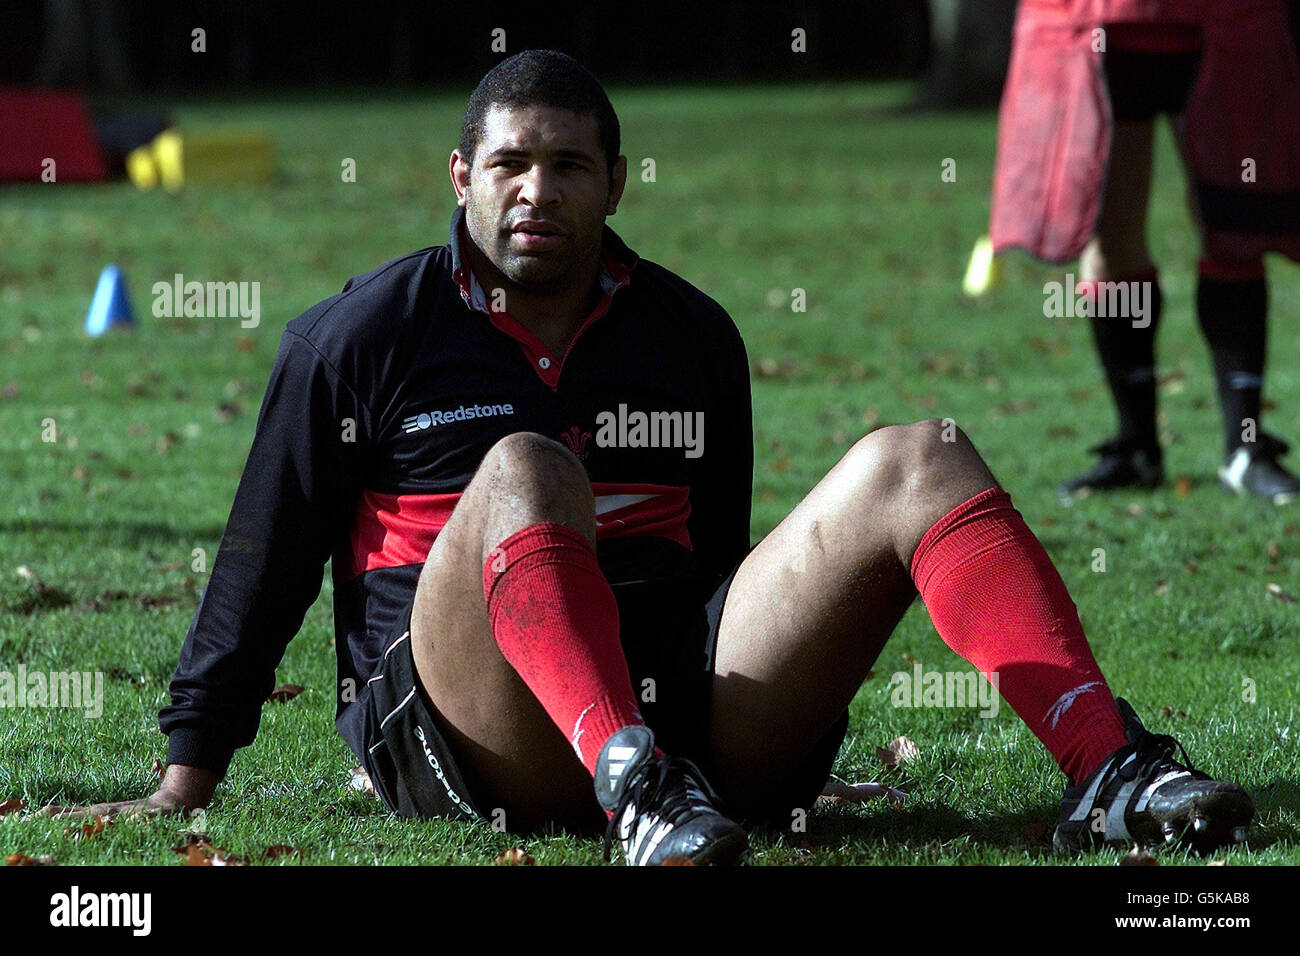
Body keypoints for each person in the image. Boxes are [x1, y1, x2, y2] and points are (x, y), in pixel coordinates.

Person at [74, 50, 1251, 864]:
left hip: (678, 700)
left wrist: (778, 723)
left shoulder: (691, 333)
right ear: (461, 178)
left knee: (920, 453)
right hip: (475, 730)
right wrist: (187, 775)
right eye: (510, 165)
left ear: (616, 182)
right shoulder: (357, 337)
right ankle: (634, 786)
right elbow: (260, 564)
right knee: (528, 467)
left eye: (569, 166)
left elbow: (724, 562)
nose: (537, 191)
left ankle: (1111, 769)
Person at [987, 0, 1300, 502]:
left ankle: (1245, 449)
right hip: (1087, 22)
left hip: (1221, 20)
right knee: (1110, 239)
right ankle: (1136, 444)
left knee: (1235, 227)